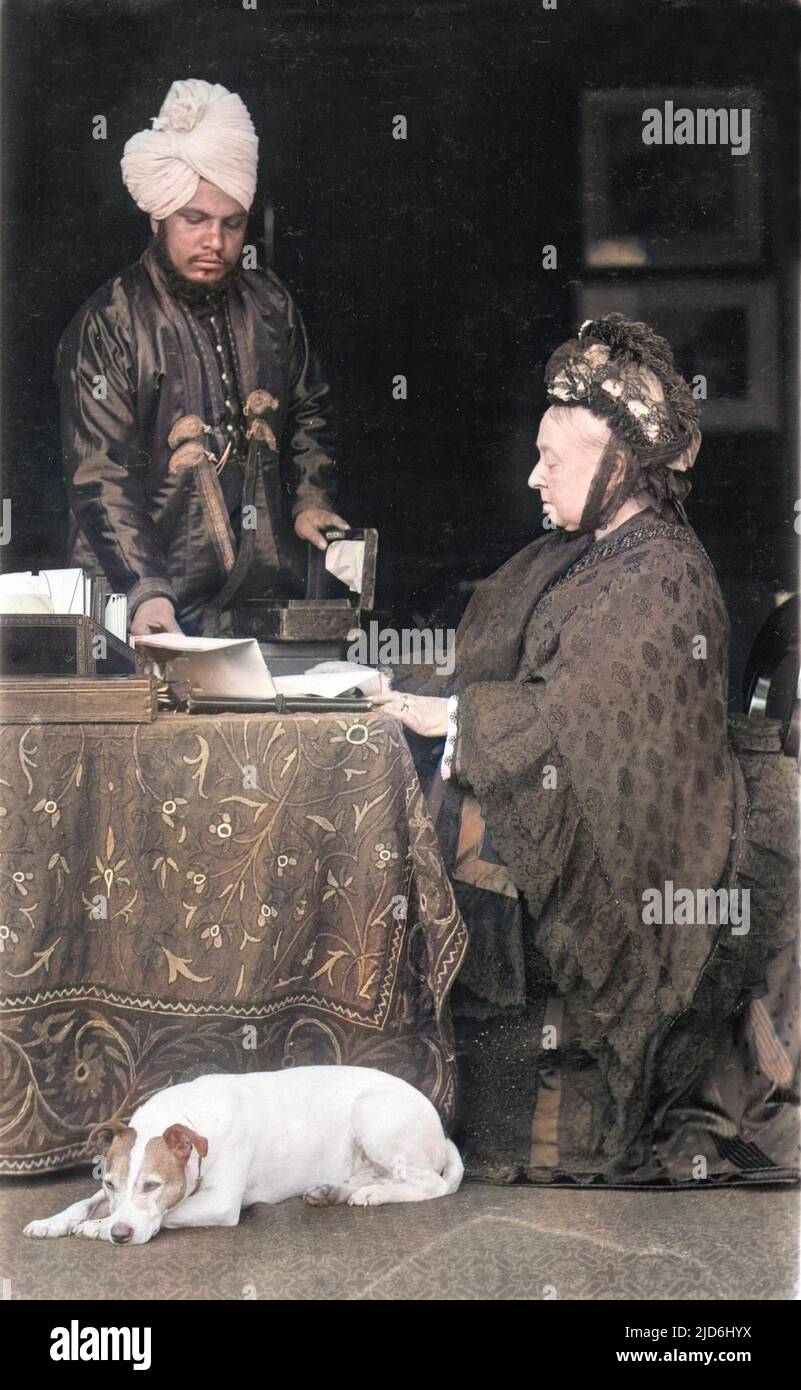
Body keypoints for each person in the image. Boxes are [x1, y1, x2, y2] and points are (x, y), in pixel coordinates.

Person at [373, 313, 796, 1183]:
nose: (532, 477)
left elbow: (593, 731)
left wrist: (456, 724)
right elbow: (544, 692)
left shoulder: (663, 573)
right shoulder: (588, 554)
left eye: (551, 462)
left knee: (416, 831)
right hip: (570, 793)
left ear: (615, 467)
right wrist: (446, 706)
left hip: (658, 849)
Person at [56, 79, 347, 637]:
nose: (215, 240)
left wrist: (311, 496)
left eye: (231, 223)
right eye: (194, 220)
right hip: (139, 607)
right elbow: (100, 476)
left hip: (252, 602)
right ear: (158, 217)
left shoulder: (272, 306)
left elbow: (312, 410)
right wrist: (145, 592)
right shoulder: (109, 323)